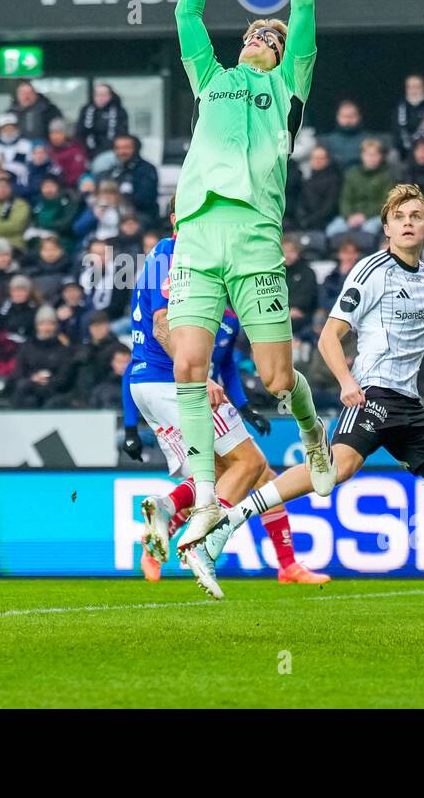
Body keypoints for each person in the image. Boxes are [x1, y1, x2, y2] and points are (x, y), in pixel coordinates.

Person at [199, 185, 424, 612]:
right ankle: (231, 521)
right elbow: (329, 337)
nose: (408, 222)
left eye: (416, 216)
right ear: (387, 228)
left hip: (408, 404)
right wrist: (346, 382)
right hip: (371, 393)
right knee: (336, 470)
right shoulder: (371, 270)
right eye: (400, 217)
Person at [169, 0, 333, 551]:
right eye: (257, 31)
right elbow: (185, 12)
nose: (268, 34)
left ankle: (313, 432)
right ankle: (206, 497)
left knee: (273, 379)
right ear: (242, 44)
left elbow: (309, 9)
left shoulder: (290, 88)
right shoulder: (210, 77)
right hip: (199, 235)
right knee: (187, 364)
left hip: (256, 237)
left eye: (277, 32)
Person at [123, 215, 326, 591]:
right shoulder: (173, 256)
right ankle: (192, 534)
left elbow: (227, 361)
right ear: (176, 220)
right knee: (252, 464)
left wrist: (244, 405)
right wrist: (197, 378)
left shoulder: (187, 265)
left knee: (244, 474)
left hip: (158, 384)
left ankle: (285, 564)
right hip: (171, 382)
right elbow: (162, 325)